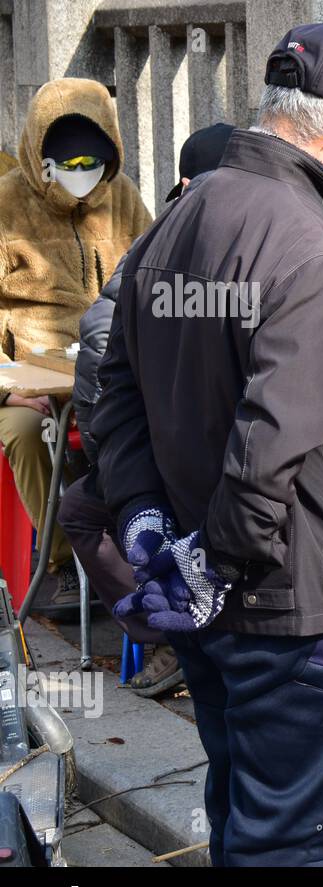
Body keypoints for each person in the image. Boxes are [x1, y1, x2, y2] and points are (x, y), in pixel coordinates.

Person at [93, 22, 323, 866]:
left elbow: (117, 388)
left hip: (215, 589)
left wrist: (146, 524)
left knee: (241, 809)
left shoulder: (185, 211)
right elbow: (274, 435)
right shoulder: (306, 248)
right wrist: (217, 559)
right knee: (286, 840)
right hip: (292, 596)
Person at [58, 123, 235, 697]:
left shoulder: (164, 245)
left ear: (183, 184)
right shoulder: (263, 234)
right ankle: (169, 629)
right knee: (92, 503)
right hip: (191, 457)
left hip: (200, 468)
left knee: (88, 508)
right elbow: (101, 347)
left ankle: (166, 634)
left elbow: (98, 362)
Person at [0, 78, 151, 607]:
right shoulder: (6, 204)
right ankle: (66, 563)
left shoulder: (125, 198)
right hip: (27, 377)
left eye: (93, 160)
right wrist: (7, 390)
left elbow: (152, 280)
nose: (81, 174)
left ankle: (143, 555)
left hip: (111, 367)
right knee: (27, 428)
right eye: (68, 159)